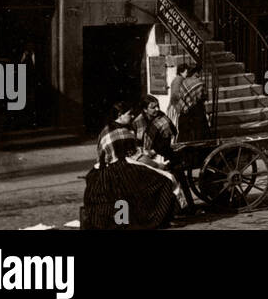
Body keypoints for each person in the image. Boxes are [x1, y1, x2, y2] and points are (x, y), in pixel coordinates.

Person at [81, 101, 183, 229]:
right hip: (123, 170)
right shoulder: (124, 133)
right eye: (130, 114)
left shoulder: (104, 131)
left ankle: (124, 218)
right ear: (120, 115)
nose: (133, 117)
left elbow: (103, 155)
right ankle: (160, 217)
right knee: (164, 181)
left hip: (103, 172)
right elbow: (138, 158)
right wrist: (158, 167)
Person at [167, 63, 210, 141]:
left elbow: (181, 95)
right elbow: (175, 96)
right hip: (189, 110)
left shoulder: (184, 82)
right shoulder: (180, 80)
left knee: (186, 133)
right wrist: (184, 107)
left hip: (185, 111)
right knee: (199, 132)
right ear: (196, 72)